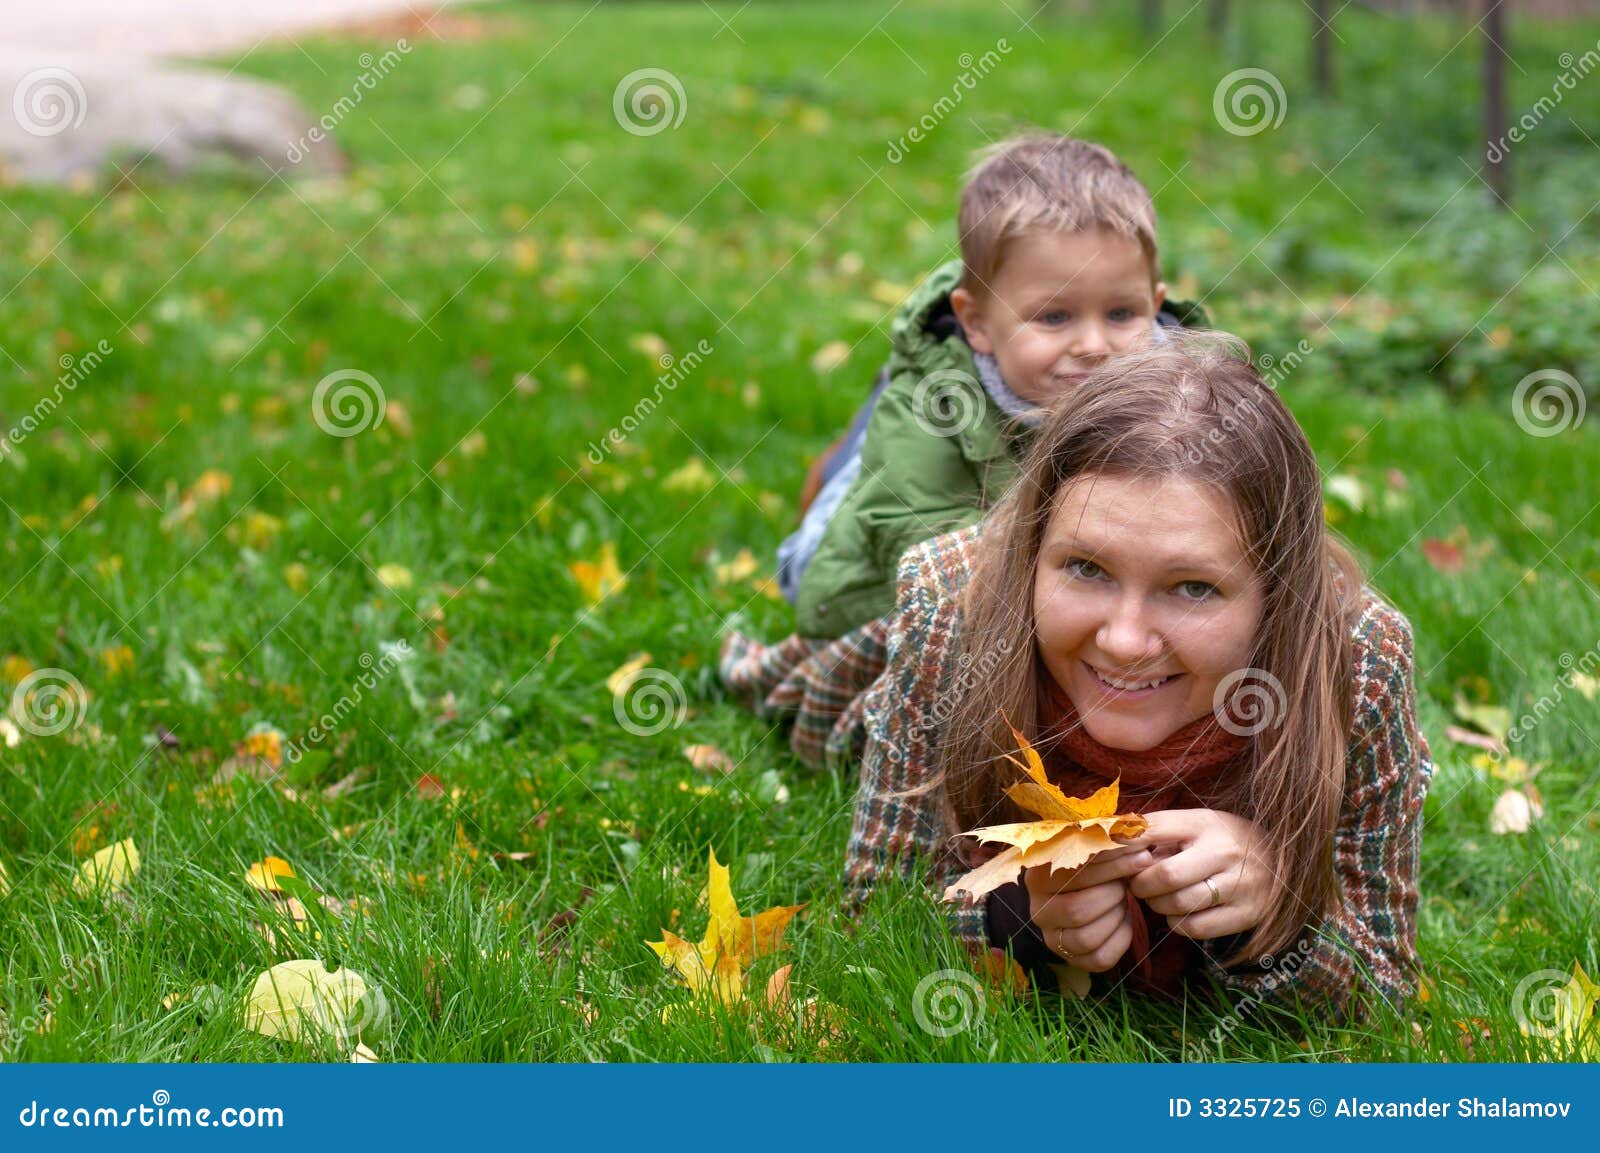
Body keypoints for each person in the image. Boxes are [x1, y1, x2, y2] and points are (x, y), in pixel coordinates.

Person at [844, 334, 1434, 1019]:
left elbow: (1384, 986)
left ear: (1277, 597)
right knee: (811, 693)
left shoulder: (1356, 661)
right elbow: (874, 914)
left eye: (1192, 588)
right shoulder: (952, 609)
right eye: (1086, 568)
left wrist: (1282, 917)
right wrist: (1016, 916)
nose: (1124, 641)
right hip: (886, 662)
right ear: (1034, 550)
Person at [724, 134, 1206, 767]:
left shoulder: (1184, 390)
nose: (1094, 346)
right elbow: (907, 527)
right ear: (977, 321)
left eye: (1121, 314)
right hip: (881, 527)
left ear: (1156, 302)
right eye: (1054, 317)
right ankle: (851, 452)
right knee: (854, 501)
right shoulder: (933, 407)